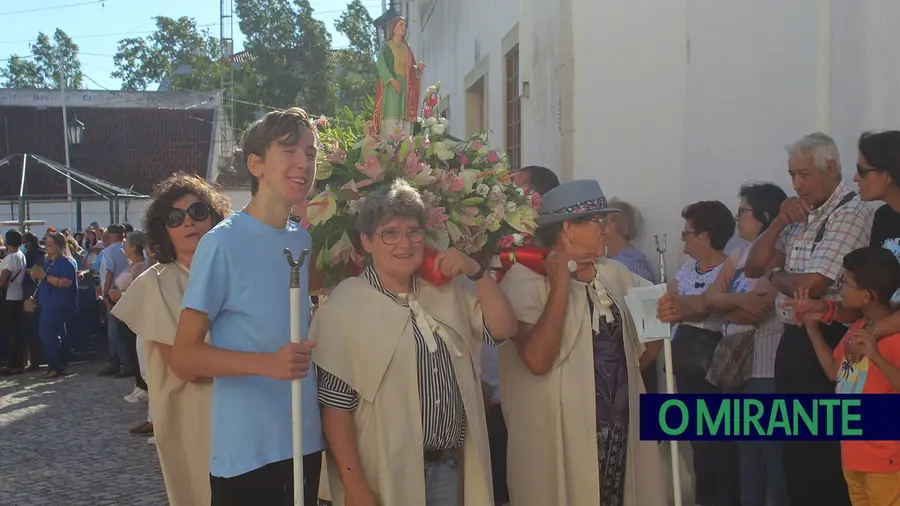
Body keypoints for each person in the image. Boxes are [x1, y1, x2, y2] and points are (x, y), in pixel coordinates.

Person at [311, 179, 517, 506]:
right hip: (383, 474)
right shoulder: (346, 307)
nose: (404, 244)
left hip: (448, 470)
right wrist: (354, 486)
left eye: (413, 232)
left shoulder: (449, 291)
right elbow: (336, 409)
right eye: (389, 233)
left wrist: (476, 272)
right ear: (366, 242)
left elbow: (504, 328)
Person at [171, 107, 324, 506]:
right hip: (247, 454)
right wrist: (267, 364)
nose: (303, 162)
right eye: (289, 150)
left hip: (304, 439)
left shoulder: (303, 241)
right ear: (256, 164)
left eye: (310, 153)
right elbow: (184, 357)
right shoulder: (221, 242)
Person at [498, 180, 666, 506]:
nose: (607, 229)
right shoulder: (525, 279)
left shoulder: (614, 273)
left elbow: (657, 326)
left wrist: (626, 377)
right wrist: (561, 284)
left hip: (618, 431)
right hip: (560, 437)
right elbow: (536, 360)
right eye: (598, 220)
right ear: (568, 228)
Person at [744, 132, 873, 506]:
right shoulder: (799, 215)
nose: (797, 185)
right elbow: (753, 266)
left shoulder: (850, 213)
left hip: (831, 336)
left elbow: (812, 285)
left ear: (830, 168)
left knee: (824, 453)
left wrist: (776, 275)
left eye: (804, 174)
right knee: (794, 451)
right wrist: (777, 223)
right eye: (792, 175)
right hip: (793, 340)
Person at [658, 183, 790, 506]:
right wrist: (733, 301)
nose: (737, 217)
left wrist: (721, 304)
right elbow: (709, 301)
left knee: (770, 457)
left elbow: (756, 311)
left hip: (766, 368)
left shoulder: (780, 254)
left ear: (764, 217)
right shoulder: (739, 254)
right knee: (744, 454)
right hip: (734, 371)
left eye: (743, 211)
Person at [113, 173, 233, 506]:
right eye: (175, 217)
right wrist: (264, 365)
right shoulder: (155, 284)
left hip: (250, 412)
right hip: (193, 418)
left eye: (198, 211)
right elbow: (188, 367)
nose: (188, 222)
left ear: (214, 217)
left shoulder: (238, 272)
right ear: (163, 230)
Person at [791, 247, 900, 506]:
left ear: (866, 295)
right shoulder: (858, 327)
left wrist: (875, 356)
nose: (840, 288)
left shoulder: (894, 338)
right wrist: (812, 327)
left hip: (885, 459)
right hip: (853, 454)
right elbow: (834, 371)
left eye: (845, 282)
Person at [668, 200, 739, 506]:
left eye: (687, 232)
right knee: (698, 442)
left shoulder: (730, 269)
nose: (682, 238)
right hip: (686, 364)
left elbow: (709, 308)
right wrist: (689, 306)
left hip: (714, 365)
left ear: (704, 237)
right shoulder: (687, 270)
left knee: (719, 443)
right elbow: (669, 304)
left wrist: (688, 306)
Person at [30, 232, 78, 379]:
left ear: (58, 246)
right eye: (46, 243)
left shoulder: (65, 262)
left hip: (57, 304)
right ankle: (58, 365)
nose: (47, 246)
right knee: (58, 335)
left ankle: (54, 366)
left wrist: (44, 277)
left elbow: (66, 282)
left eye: (50, 244)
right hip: (48, 304)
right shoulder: (49, 261)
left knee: (47, 333)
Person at [373, 14, 425, 135]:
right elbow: (382, 66)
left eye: (405, 26)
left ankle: (406, 143)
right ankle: (390, 144)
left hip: (406, 86)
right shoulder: (386, 46)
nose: (404, 28)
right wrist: (392, 80)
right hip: (391, 85)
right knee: (392, 115)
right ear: (393, 28)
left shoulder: (407, 48)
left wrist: (418, 69)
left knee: (405, 118)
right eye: (401, 25)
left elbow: (412, 69)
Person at [97, 224, 131, 377]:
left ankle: (121, 363)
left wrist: (105, 294)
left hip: (113, 294)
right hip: (127, 292)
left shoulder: (109, 251)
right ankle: (120, 362)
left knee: (114, 332)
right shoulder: (128, 248)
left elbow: (109, 272)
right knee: (124, 330)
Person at [0, 230, 27, 376]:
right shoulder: (21, 255)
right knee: (17, 331)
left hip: (9, 297)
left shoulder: (9, 259)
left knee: (12, 332)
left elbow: (3, 280)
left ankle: (13, 364)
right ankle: (19, 362)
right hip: (18, 294)